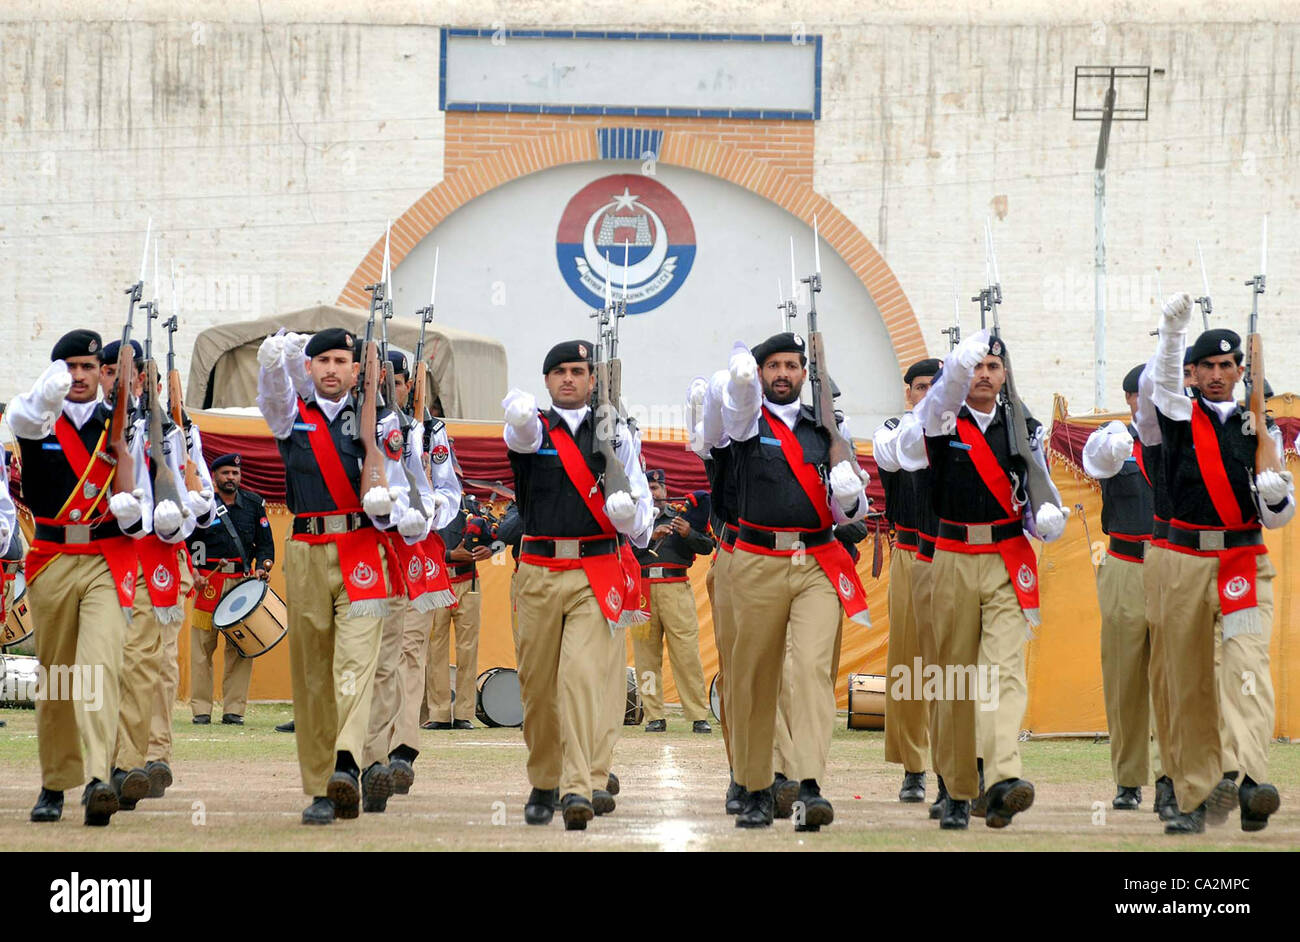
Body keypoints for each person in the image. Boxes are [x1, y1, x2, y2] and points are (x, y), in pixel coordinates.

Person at [256, 327, 432, 825]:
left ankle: (346, 761)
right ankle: (319, 788)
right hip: (308, 547)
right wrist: (272, 365)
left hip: (362, 549)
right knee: (313, 676)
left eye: (341, 360)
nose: (332, 369)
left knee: (355, 663)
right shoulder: (293, 416)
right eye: (322, 360)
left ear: (358, 371)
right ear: (308, 369)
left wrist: (389, 508)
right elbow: (272, 397)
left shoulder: (378, 422)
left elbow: (400, 482)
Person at [1145, 298, 1293, 834]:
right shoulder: (1179, 417)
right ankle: (1193, 796)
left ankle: (1251, 782)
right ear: (1195, 371)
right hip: (1184, 562)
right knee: (1187, 685)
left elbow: (1277, 516)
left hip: (1242, 563)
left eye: (1226, 367)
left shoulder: (1259, 428)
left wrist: (1277, 496)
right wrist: (1171, 332)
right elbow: (1162, 383)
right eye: (1205, 366)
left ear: (1239, 372)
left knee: (1247, 669)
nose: (1215, 375)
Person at [915, 328, 1067, 830]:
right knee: (955, 677)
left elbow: (1037, 481)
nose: (984, 375)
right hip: (954, 553)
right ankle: (957, 787)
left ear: (1005, 375)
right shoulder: (940, 417)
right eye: (977, 367)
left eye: (994, 368)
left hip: (1006, 556)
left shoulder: (1024, 424)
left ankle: (1002, 777)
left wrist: (1048, 514)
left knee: (1004, 670)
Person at [721, 332, 870, 831]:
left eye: (792, 365)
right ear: (761, 374)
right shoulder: (744, 424)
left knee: (809, 671)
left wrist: (849, 494)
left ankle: (808, 786)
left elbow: (852, 510)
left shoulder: (825, 431)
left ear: (806, 374)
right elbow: (734, 405)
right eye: (773, 366)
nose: (783, 373)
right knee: (755, 678)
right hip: (757, 559)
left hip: (818, 561)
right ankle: (758, 786)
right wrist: (740, 373)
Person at [503, 340, 653, 830]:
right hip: (540, 571)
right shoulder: (532, 429)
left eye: (579, 371)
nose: (569, 378)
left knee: (582, 678)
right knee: (538, 686)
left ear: (594, 379)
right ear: (547, 380)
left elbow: (639, 497)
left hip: (596, 570)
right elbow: (519, 436)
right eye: (559, 371)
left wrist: (630, 516)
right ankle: (543, 779)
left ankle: (575, 787)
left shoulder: (616, 433)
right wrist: (521, 415)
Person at [12, 330, 154, 826]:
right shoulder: (36, 419)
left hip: (105, 557)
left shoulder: (120, 426)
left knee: (99, 669)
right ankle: (55, 781)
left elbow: (147, 508)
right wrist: (45, 391)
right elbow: (22, 414)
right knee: (56, 676)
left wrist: (133, 509)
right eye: (69, 367)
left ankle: (98, 780)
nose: (78, 376)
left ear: (102, 372)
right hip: (51, 558)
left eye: (88, 367)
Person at [100, 338, 211, 811]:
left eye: (144, 376)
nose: (126, 382)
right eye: (114, 372)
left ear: (158, 383)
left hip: (163, 557)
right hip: (108, 556)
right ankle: (110, 757)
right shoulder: (97, 425)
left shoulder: (179, 430)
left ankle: (152, 755)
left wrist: (188, 512)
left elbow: (197, 488)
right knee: (110, 663)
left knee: (162, 665)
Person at [361, 348, 459, 809]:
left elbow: (449, 491)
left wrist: (426, 513)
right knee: (365, 653)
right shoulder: (361, 425)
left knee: (408, 652)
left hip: (414, 549)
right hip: (366, 549)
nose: (389, 388)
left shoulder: (429, 431)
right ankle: (365, 750)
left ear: (409, 385)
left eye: (396, 381)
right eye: (381, 379)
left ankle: (401, 747)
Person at [1082, 365, 1163, 812]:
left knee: (1177, 678)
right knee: (1125, 679)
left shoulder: (1182, 440)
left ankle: (1171, 776)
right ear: (1130, 399)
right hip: (1127, 564)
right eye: (1142, 395)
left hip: (1176, 566)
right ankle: (1129, 780)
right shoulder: (1114, 442)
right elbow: (1096, 458)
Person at [872, 357, 942, 804]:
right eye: (921, 387)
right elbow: (897, 453)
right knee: (911, 665)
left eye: (937, 386)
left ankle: (964, 763)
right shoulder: (893, 430)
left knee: (959, 666)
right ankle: (914, 767)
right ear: (908, 393)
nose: (928, 393)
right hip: (913, 554)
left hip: (960, 556)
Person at [187, 453, 274, 726]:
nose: (231, 478)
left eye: (235, 474)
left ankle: (233, 710)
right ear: (215, 476)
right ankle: (201, 710)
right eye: (225, 473)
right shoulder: (203, 504)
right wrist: (193, 573)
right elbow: (188, 542)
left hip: (242, 583)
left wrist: (264, 566)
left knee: (240, 647)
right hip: (208, 583)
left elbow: (265, 544)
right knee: (202, 649)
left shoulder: (253, 505)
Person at [631, 470, 714, 734]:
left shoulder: (682, 516)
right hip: (643, 590)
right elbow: (622, 552)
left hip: (676, 587)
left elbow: (706, 546)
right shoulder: (633, 522)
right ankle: (653, 715)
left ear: (665, 490)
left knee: (686, 654)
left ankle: (698, 714)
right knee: (645, 657)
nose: (653, 493)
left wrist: (689, 533)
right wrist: (650, 539)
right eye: (648, 488)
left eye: (656, 487)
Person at [424, 493, 491, 730]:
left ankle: (464, 713)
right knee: (435, 650)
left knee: (468, 649)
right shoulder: (423, 503)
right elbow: (415, 543)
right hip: (436, 580)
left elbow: (493, 539)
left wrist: (489, 549)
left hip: (467, 581)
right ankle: (438, 712)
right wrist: (451, 555)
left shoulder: (469, 505)